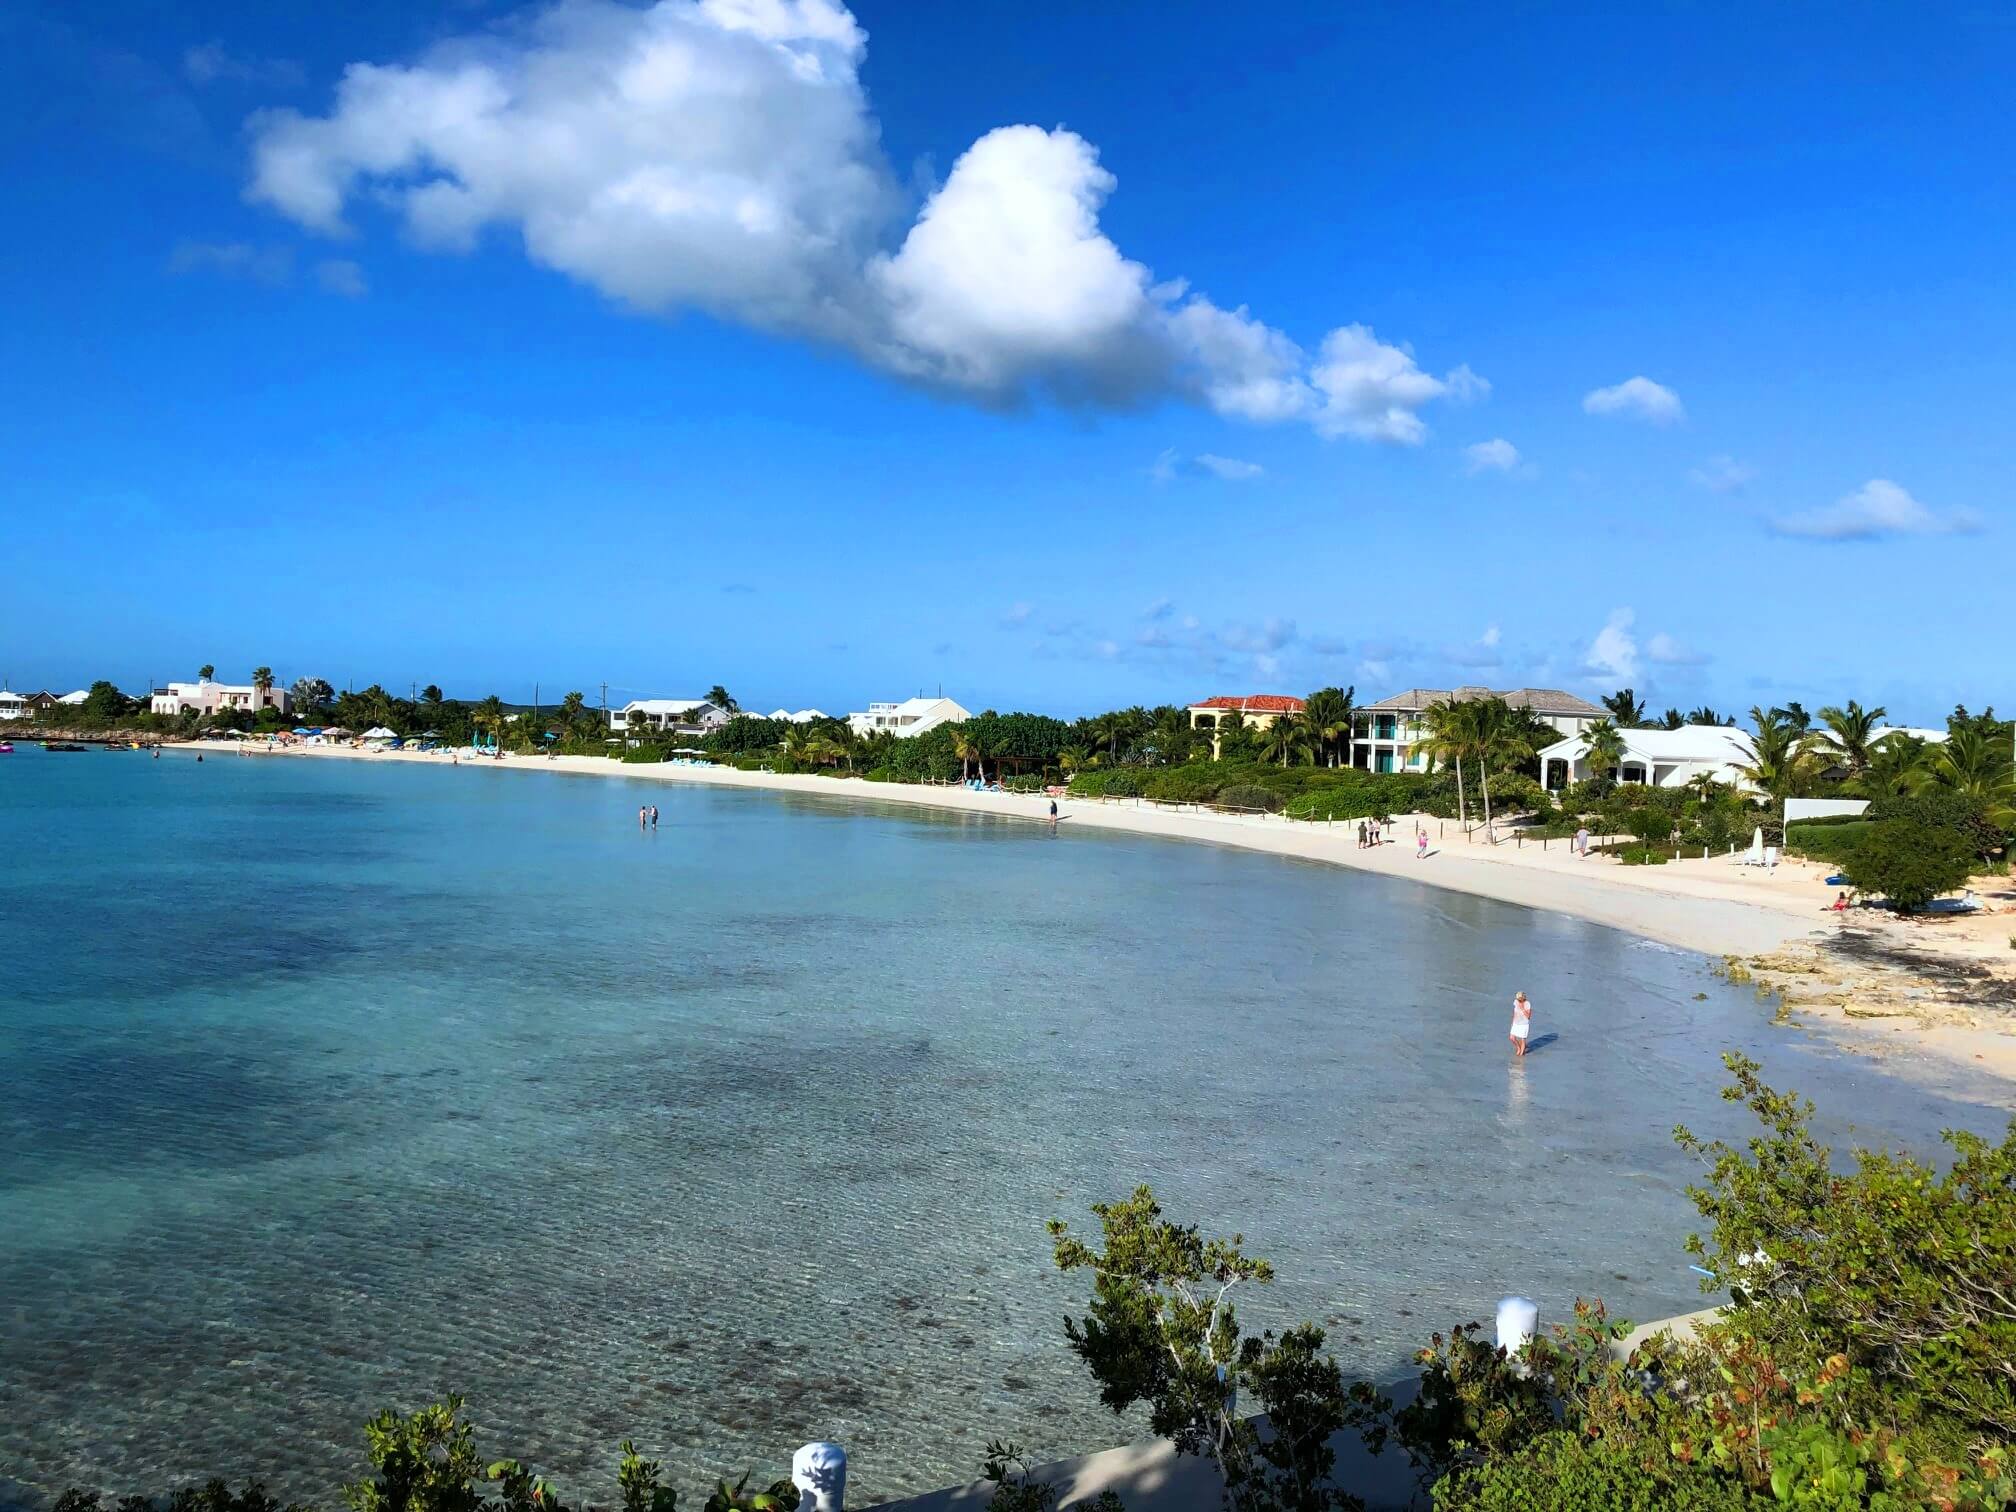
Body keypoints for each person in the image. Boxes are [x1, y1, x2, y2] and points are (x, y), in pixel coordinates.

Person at [1510, 991, 1532, 1057]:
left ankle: (1521, 1054)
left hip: (1524, 1024)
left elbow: (1528, 1016)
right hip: (1516, 1023)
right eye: (1518, 999)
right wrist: (1512, 1023)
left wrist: (1522, 1008)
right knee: (1512, 1038)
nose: (1518, 1000)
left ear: (1523, 998)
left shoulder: (1527, 1004)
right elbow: (1515, 1013)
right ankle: (1518, 1048)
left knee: (1523, 1039)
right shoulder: (1516, 1002)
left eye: (1520, 999)